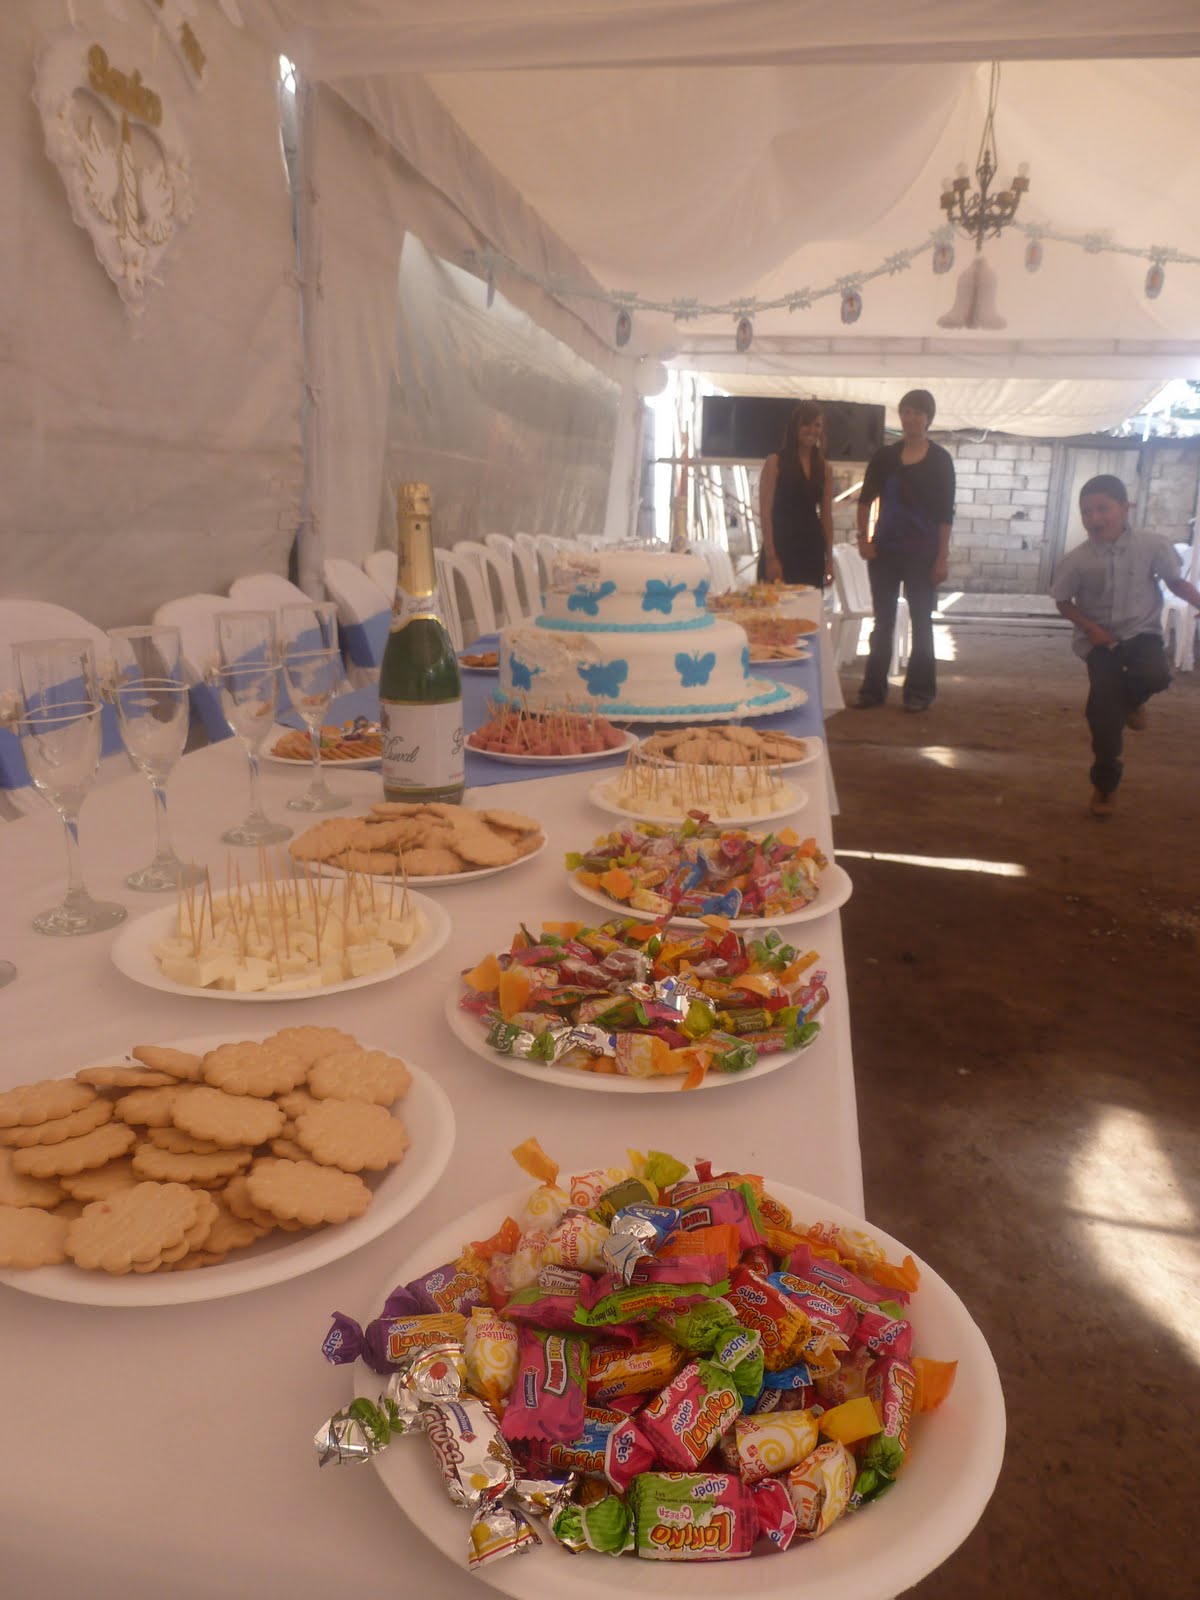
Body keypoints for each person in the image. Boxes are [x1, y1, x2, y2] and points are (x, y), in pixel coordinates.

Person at [1050, 474, 1200, 817]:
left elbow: (1175, 583)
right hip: (1100, 644)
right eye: (1086, 512)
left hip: (1141, 633)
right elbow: (1063, 601)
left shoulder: (1152, 546)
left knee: (1156, 675)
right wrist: (1091, 629)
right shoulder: (1076, 560)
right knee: (1103, 718)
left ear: (1124, 508)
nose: (1094, 518)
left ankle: (1132, 703)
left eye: (1103, 509)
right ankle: (1105, 787)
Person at [854, 389, 955, 712]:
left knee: (921, 622)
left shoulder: (940, 460)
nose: (911, 419)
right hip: (884, 553)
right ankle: (873, 690)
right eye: (906, 412)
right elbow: (865, 501)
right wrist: (864, 539)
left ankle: (919, 693)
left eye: (917, 413)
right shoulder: (884, 457)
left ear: (929, 418)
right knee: (882, 622)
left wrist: (941, 558)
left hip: (923, 555)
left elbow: (945, 514)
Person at [758, 401, 834, 588]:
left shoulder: (825, 468)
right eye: (806, 424)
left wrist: (830, 559)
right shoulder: (775, 462)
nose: (812, 430)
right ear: (795, 427)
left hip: (812, 548)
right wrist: (771, 556)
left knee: (810, 603)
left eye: (817, 425)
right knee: (776, 603)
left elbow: (826, 516)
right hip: (781, 544)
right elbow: (765, 512)